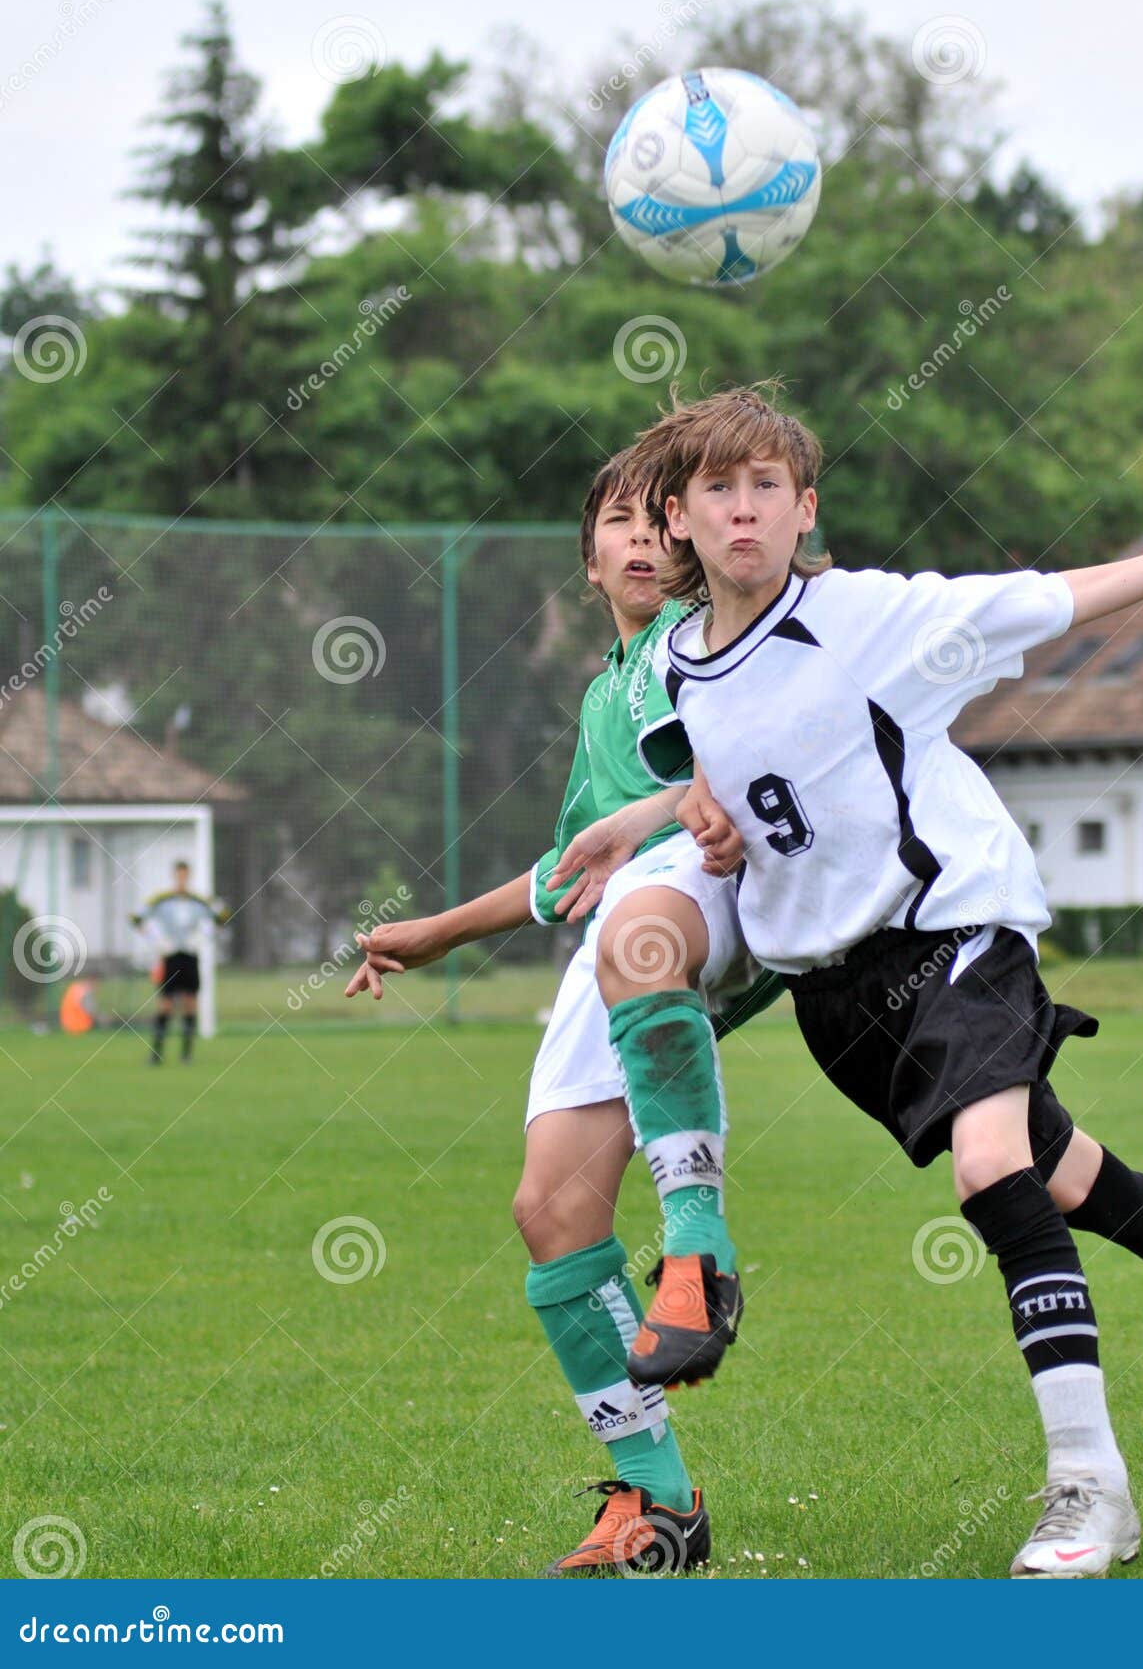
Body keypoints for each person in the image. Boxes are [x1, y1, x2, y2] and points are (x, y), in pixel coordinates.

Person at [589, 383, 1143, 1578]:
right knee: (1076, 1185)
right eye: (718, 488)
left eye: (769, 485)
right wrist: (684, 816)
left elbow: (1053, 599)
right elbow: (717, 767)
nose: (746, 509)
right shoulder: (676, 662)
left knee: (991, 1169)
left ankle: (1089, 1486)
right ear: (678, 516)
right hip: (840, 999)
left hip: (956, 933)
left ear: (806, 507)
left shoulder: (866, 617)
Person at [346, 447, 775, 1576]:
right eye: (616, 524)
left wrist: (683, 812)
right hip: (620, 923)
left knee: (639, 935)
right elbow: (573, 866)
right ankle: (659, 1501)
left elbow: (751, 769)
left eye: (658, 521)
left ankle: (698, 1255)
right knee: (550, 1213)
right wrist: (437, 932)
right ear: (586, 562)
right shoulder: (602, 693)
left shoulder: (704, 644)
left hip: (701, 901)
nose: (641, 540)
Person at [131, 862, 228, 1063]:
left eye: (185, 875)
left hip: (190, 956)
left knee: (190, 1004)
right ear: (174, 876)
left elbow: (223, 916)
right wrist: (155, 939)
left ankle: (186, 1054)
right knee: (165, 1004)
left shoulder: (199, 901)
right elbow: (136, 917)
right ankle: (156, 1053)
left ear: (188, 876)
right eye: (179, 875)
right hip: (171, 956)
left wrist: (205, 936)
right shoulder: (162, 900)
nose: (182, 879)